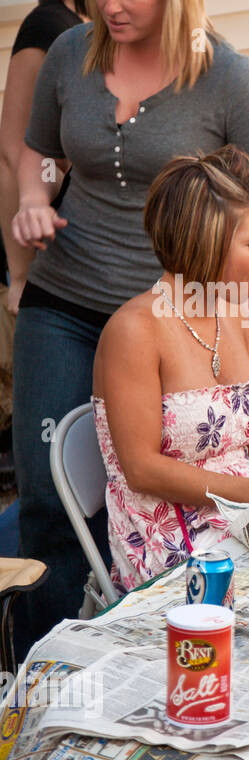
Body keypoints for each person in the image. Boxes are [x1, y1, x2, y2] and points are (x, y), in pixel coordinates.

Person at [11, 0, 249, 646]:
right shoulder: (69, 54)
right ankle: (43, 673)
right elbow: (38, 154)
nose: (110, 6)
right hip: (67, 301)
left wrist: (243, 292)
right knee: (49, 507)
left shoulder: (225, 74)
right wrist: (33, 201)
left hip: (180, 308)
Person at [92, 147, 249, 592]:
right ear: (207, 242)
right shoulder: (135, 330)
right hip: (170, 537)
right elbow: (141, 469)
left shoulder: (233, 315)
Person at [0, 0, 88, 489]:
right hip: (51, 271)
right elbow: (14, 154)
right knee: (52, 459)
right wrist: (19, 277)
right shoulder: (49, 26)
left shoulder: (95, 30)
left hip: (95, 272)